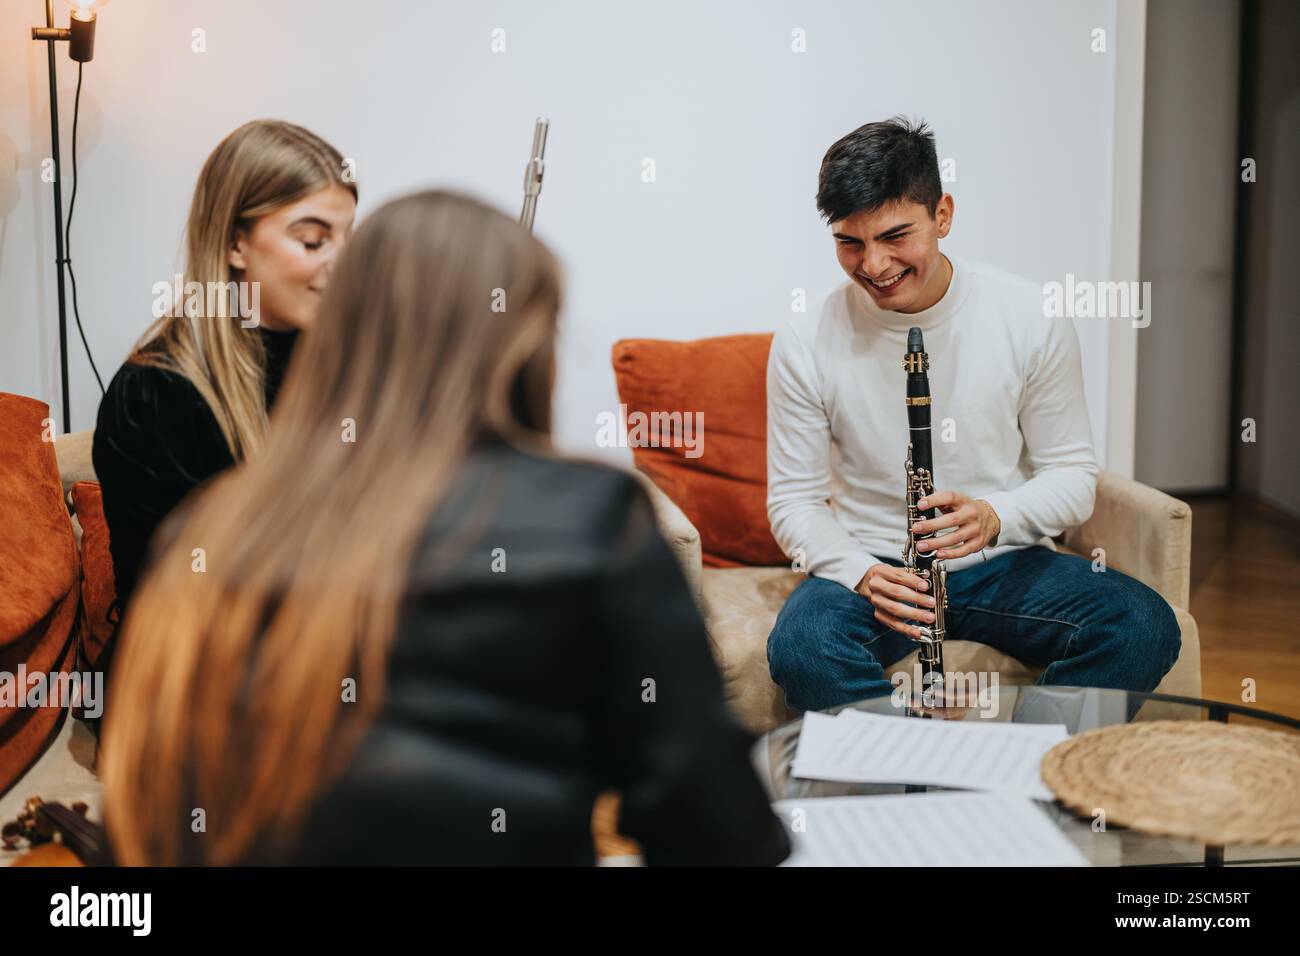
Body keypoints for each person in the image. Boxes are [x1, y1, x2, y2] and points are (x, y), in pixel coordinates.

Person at [101, 190, 791, 867]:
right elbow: (714, 827)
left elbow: (153, 803)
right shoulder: (594, 517)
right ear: (523, 345)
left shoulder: (213, 523)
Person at [765, 116, 1181, 713]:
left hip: (1004, 559)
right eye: (849, 242)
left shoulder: (1030, 317)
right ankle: (904, 781)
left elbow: (1072, 477)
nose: (874, 265)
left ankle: (1027, 776)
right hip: (876, 565)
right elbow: (794, 503)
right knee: (805, 647)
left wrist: (994, 515)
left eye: (895, 235)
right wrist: (858, 571)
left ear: (943, 215)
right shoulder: (807, 337)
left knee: (1141, 624)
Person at [93, 120, 357, 638]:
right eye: (312, 240)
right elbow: (190, 601)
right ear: (236, 244)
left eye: (349, 238)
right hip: (193, 673)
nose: (341, 263)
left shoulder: (339, 364)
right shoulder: (160, 393)